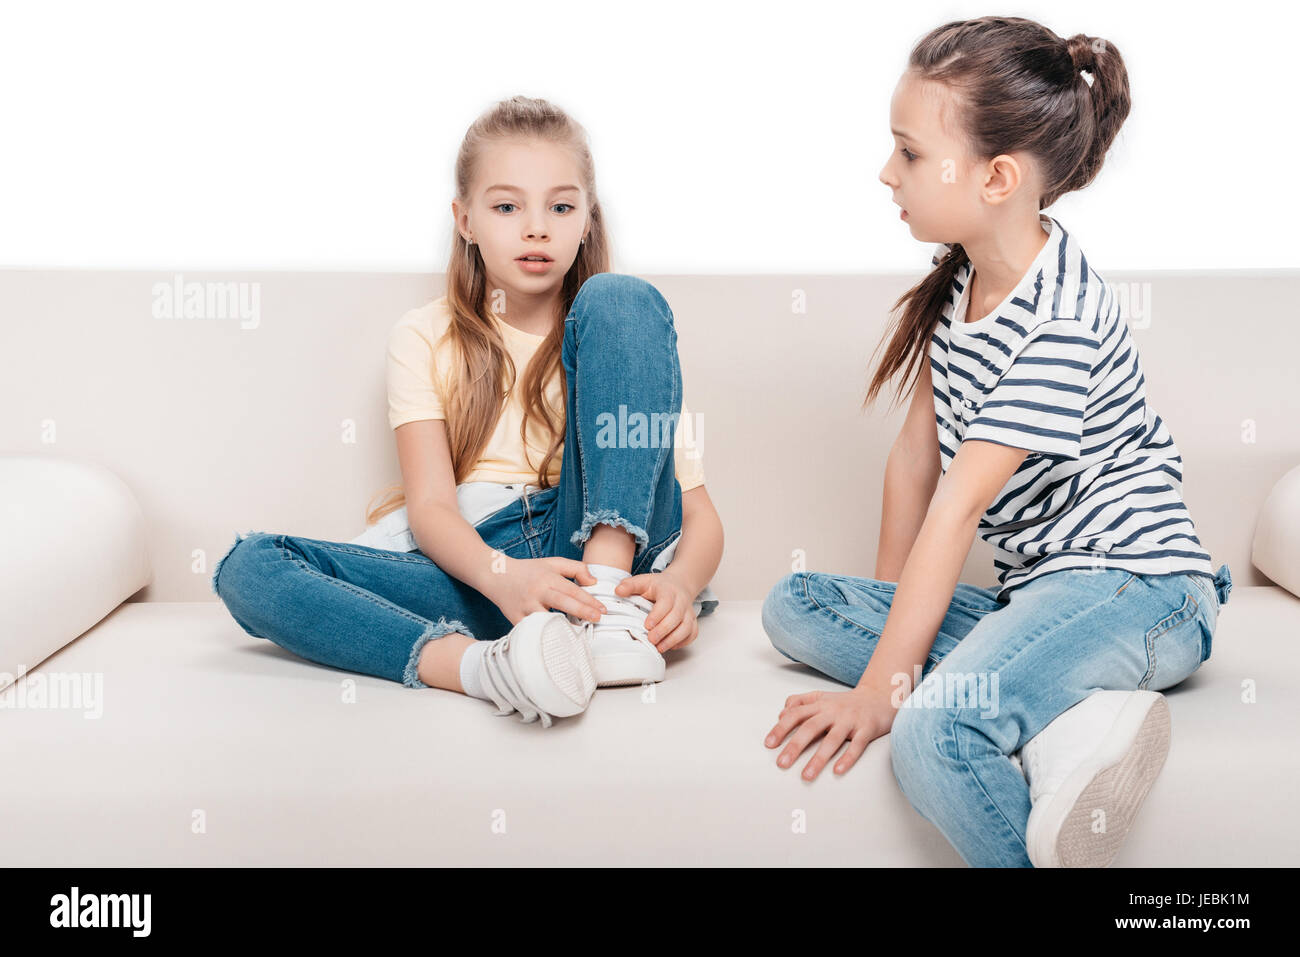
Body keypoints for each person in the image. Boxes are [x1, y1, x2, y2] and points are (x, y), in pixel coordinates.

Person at [760, 16, 1231, 867]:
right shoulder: (966, 278)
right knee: (797, 607)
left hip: (1140, 589)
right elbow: (913, 464)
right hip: (1042, 597)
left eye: (907, 153)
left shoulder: (1060, 319)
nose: (884, 171)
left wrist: (884, 691)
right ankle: (1076, 712)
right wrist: (885, 627)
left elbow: (958, 503)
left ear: (998, 177)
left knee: (932, 731)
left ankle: (1051, 702)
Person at [212, 96, 724, 729]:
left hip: (599, 552)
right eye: (507, 207)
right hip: (491, 567)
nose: (537, 228)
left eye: (561, 207)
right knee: (248, 567)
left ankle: (604, 606)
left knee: (623, 295)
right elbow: (430, 509)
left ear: (588, 221)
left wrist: (682, 585)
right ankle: (487, 668)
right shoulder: (424, 334)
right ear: (466, 220)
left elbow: (697, 514)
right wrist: (505, 579)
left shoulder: (621, 329)